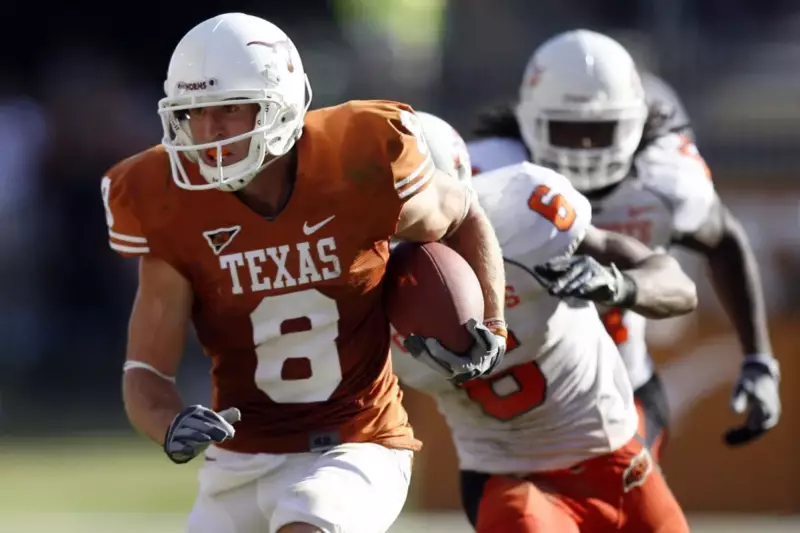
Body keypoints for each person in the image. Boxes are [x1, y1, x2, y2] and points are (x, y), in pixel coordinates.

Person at [99, 12, 508, 533]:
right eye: (195, 112)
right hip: (240, 459)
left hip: (356, 443)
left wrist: (492, 322)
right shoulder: (167, 199)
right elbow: (146, 372)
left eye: (229, 109)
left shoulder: (359, 160)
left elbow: (463, 212)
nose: (209, 132)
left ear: (282, 106)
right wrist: (170, 423)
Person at [467, 29, 780, 459]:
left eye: (599, 130)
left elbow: (724, 242)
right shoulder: (491, 176)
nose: (585, 149)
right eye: (567, 131)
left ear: (634, 120)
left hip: (622, 391)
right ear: (530, 120)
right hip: (518, 402)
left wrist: (759, 359)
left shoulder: (664, 181)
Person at [393, 111, 698, 532]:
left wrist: (619, 285)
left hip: (612, 456)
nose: (416, 230)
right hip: (506, 477)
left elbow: (679, 288)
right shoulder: (361, 292)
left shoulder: (527, 211)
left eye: (423, 208)